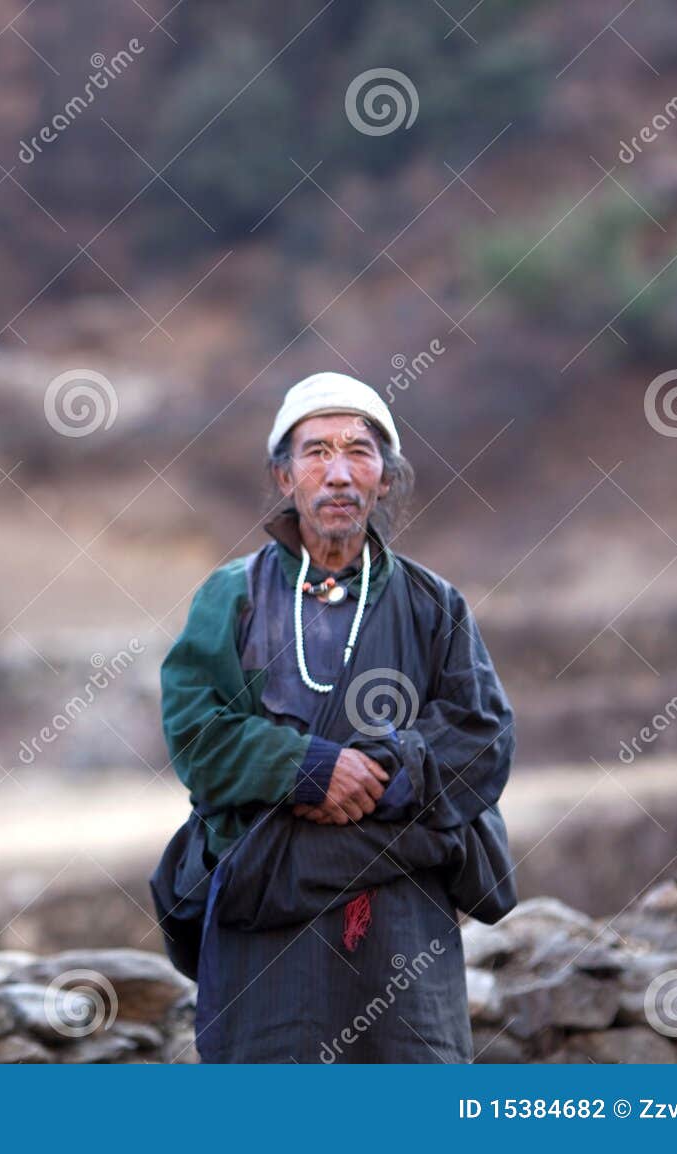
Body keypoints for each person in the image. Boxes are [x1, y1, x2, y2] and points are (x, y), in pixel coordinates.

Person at [152, 371, 517, 1063]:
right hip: (267, 923)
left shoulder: (432, 604)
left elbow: (483, 736)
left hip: (402, 928)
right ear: (284, 477)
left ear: (386, 478)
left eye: (360, 452)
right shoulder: (233, 597)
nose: (339, 473)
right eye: (316, 452)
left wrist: (383, 770)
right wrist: (308, 769)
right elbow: (196, 734)